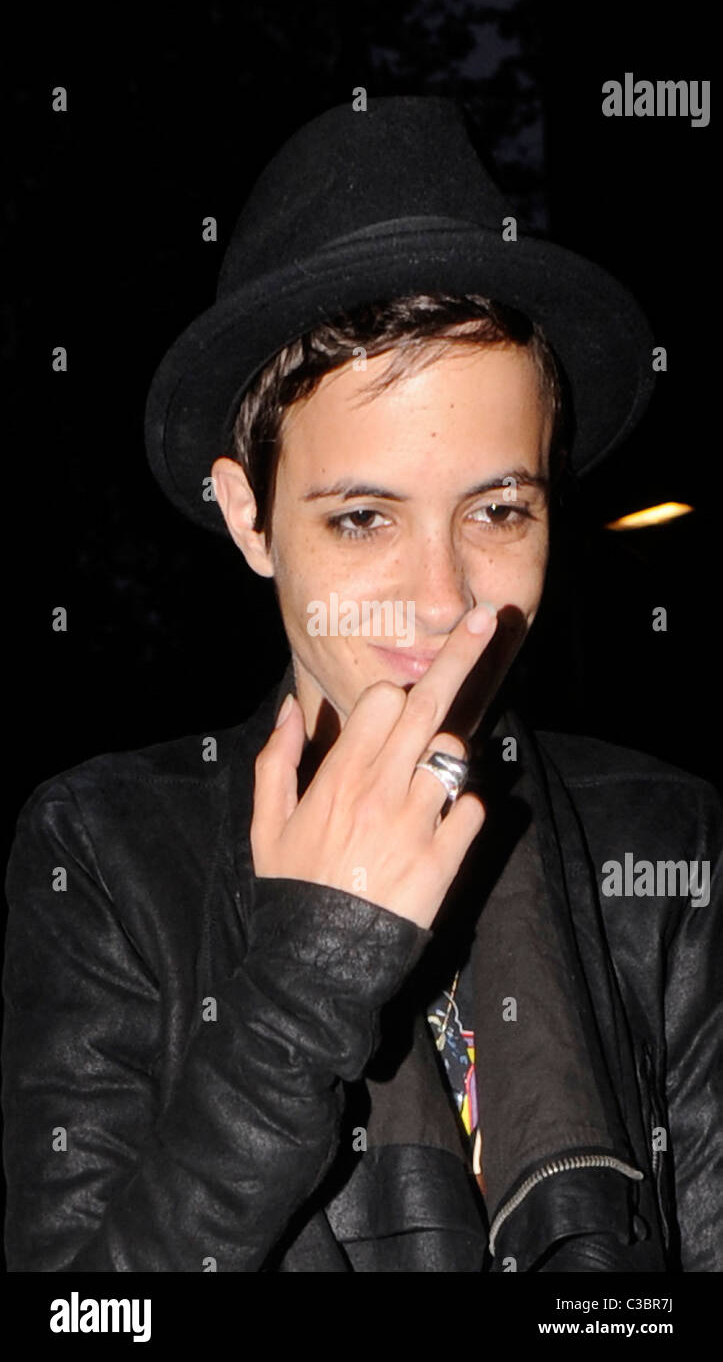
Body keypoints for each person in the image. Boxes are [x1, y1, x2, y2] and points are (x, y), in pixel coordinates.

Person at [3, 96, 720, 1273]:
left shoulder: (672, 853)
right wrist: (308, 973)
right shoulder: (105, 854)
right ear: (251, 521)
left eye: (498, 510)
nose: (442, 601)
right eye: (363, 517)